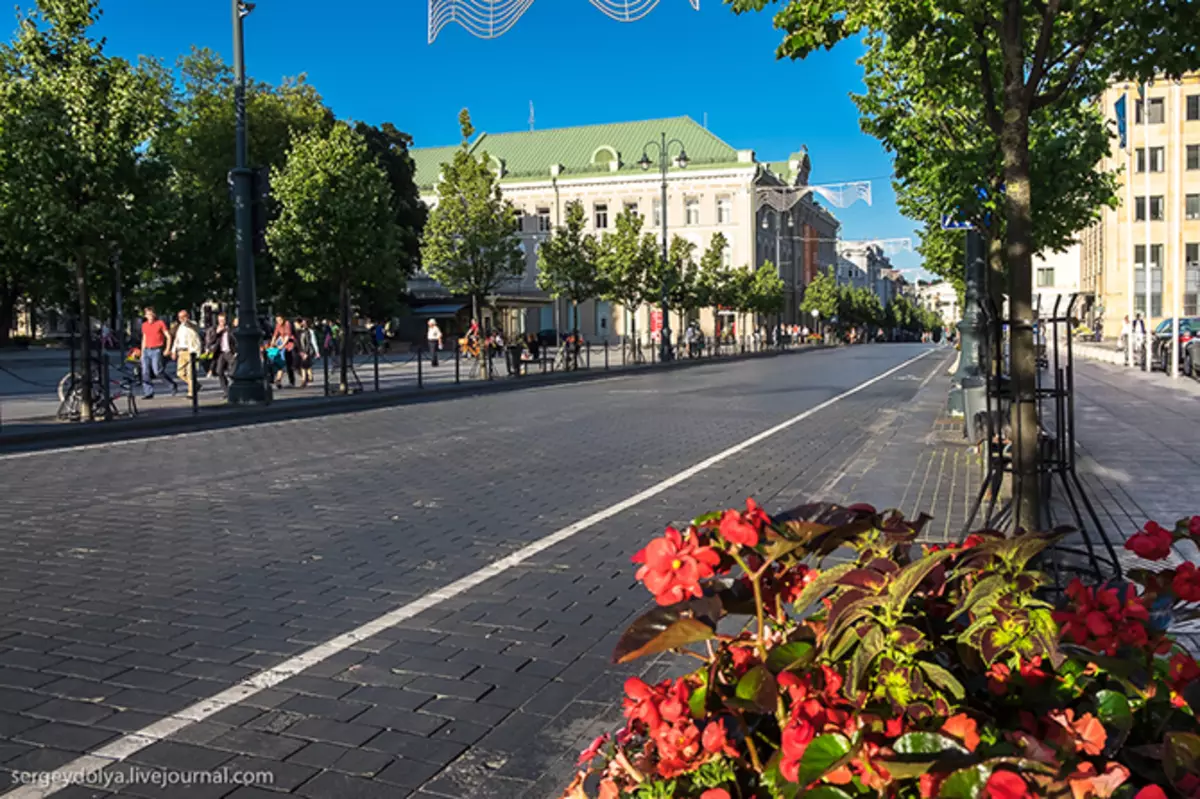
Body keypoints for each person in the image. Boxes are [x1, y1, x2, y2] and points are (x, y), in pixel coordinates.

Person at [139, 307, 176, 399]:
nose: (150, 316)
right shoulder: (144, 325)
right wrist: (142, 352)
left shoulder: (160, 323)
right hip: (147, 350)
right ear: (145, 316)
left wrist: (167, 349)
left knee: (157, 371)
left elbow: (168, 336)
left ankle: (171, 384)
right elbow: (144, 338)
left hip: (156, 349)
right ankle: (148, 392)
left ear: (154, 315)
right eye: (148, 314)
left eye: (151, 314)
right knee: (145, 372)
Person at [171, 309, 203, 398]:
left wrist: (187, 321)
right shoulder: (180, 327)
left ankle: (191, 393)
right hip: (181, 351)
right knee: (180, 373)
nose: (181, 319)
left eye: (183, 317)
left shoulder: (192, 324)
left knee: (190, 373)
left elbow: (192, 325)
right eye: (179, 317)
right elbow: (177, 340)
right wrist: (173, 350)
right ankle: (195, 385)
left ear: (187, 316)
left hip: (190, 351)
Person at [204, 312, 237, 396]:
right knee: (219, 371)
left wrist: (236, 351)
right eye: (220, 320)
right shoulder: (215, 329)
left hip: (230, 351)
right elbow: (211, 341)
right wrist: (217, 333)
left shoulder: (231, 329)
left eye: (223, 320)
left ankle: (234, 387)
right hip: (220, 352)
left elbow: (235, 341)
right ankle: (226, 391)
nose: (221, 322)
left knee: (232, 372)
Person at [270, 314, 296, 389]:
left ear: (283, 319)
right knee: (279, 362)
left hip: (289, 345)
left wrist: (282, 345)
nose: (279, 322)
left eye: (280, 320)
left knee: (288, 364)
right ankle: (278, 380)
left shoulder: (287, 324)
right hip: (282, 344)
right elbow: (275, 334)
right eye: (277, 320)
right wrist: (272, 343)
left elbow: (288, 336)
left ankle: (292, 382)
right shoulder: (278, 325)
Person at [295, 318, 318, 387]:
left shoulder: (307, 332)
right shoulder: (299, 332)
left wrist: (305, 352)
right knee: (304, 365)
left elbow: (308, 343)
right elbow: (298, 342)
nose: (303, 324)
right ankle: (308, 377)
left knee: (303, 365)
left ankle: (304, 380)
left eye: (305, 323)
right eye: (303, 323)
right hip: (301, 351)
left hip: (306, 351)